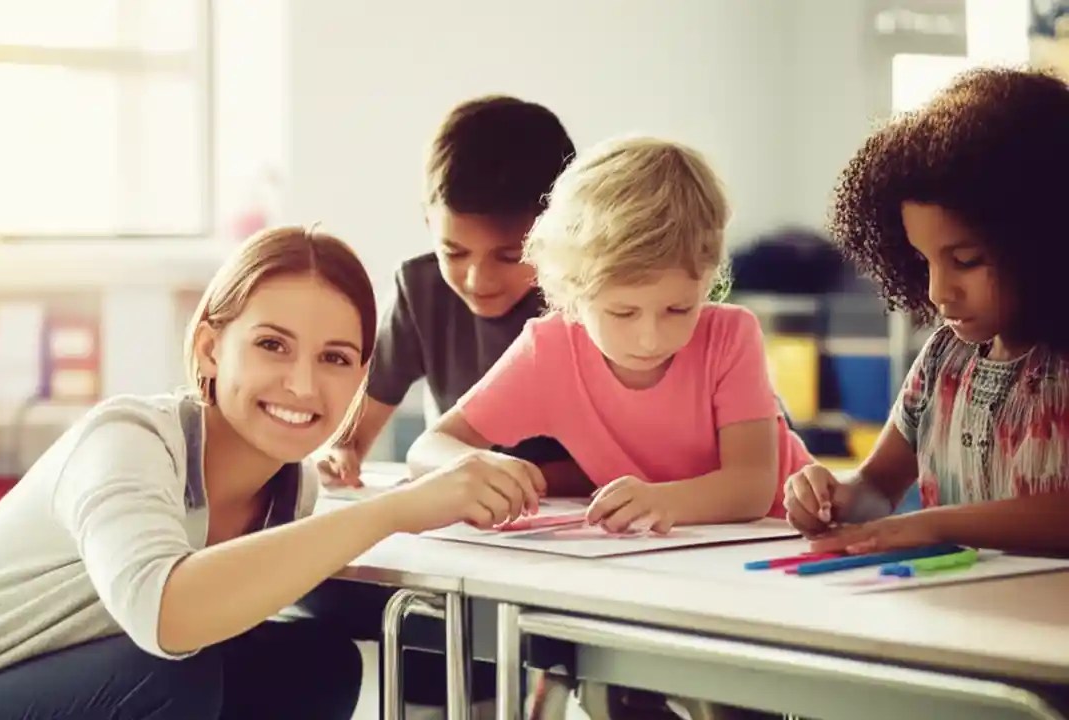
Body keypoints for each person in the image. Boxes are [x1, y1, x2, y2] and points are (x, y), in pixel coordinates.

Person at [0, 226, 545, 720]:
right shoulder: (127, 441)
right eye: (273, 346)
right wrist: (395, 507)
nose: (303, 386)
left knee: (312, 665)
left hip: (37, 693)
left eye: (335, 359)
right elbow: (166, 616)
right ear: (213, 349)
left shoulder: (294, 487)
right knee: (168, 676)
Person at [407, 135, 810, 719]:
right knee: (614, 692)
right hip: (651, 576)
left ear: (708, 281)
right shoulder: (549, 350)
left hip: (777, 563)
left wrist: (659, 500)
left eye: (679, 308)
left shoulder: (730, 335)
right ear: (571, 290)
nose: (651, 338)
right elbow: (432, 444)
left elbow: (751, 485)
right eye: (622, 312)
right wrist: (476, 467)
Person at [785, 67, 1069, 557]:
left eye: (965, 261)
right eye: (922, 260)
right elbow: (878, 485)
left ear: (1042, 239)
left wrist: (935, 526)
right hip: (954, 619)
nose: (939, 290)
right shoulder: (944, 357)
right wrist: (835, 497)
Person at [315, 94, 588, 496]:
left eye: (511, 256)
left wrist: (521, 478)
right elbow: (351, 434)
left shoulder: (589, 301)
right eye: (454, 252)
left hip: (573, 513)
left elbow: (623, 463)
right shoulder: (421, 292)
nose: (479, 280)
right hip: (463, 508)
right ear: (428, 220)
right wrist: (338, 452)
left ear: (561, 231)